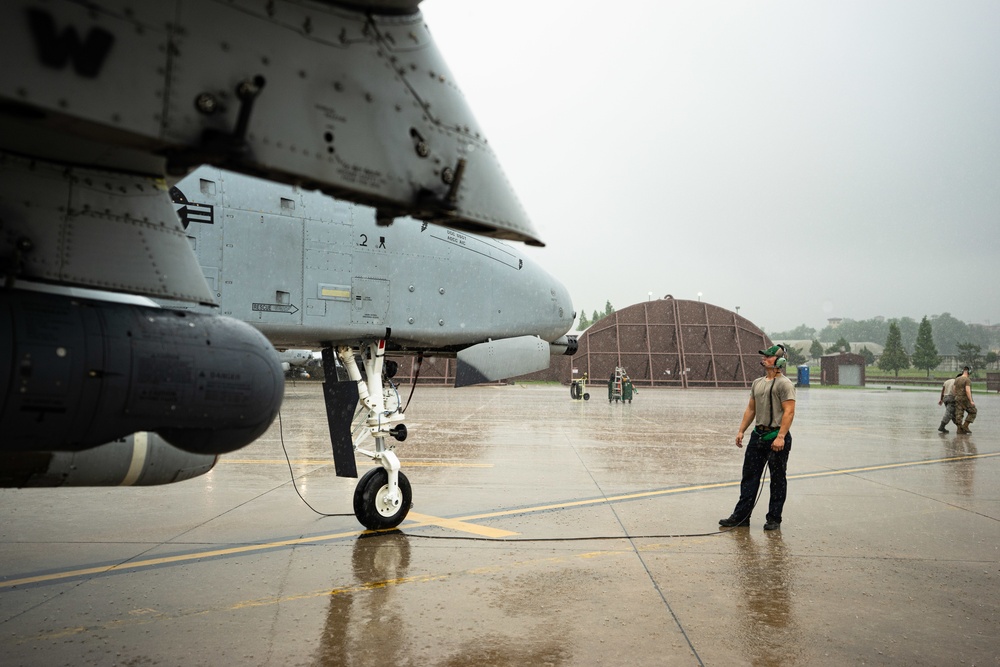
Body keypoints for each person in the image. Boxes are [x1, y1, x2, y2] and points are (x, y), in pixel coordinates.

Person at [720, 344, 796, 531]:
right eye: (764, 356)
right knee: (749, 478)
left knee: (777, 479)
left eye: (768, 357)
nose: (764, 359)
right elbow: (751, 409)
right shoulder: (757, 383)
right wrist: (741, 430)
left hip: (776, 436)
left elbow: (789, 412)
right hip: (758, 436)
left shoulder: (785, 384)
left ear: (779, 361)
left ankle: (774, 518)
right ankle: (741, 517)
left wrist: (781, 437)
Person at [952, 366, 977, 434]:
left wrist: (956, 396)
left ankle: (959, 429)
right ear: (969, 372)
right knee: (973, 411)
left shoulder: (957, 379)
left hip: (957, 398)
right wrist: (971, 400)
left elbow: (954, 389)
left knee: (959, 414)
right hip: (965, 399)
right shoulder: (967, 379)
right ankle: (965, 426)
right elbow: (967, 391)